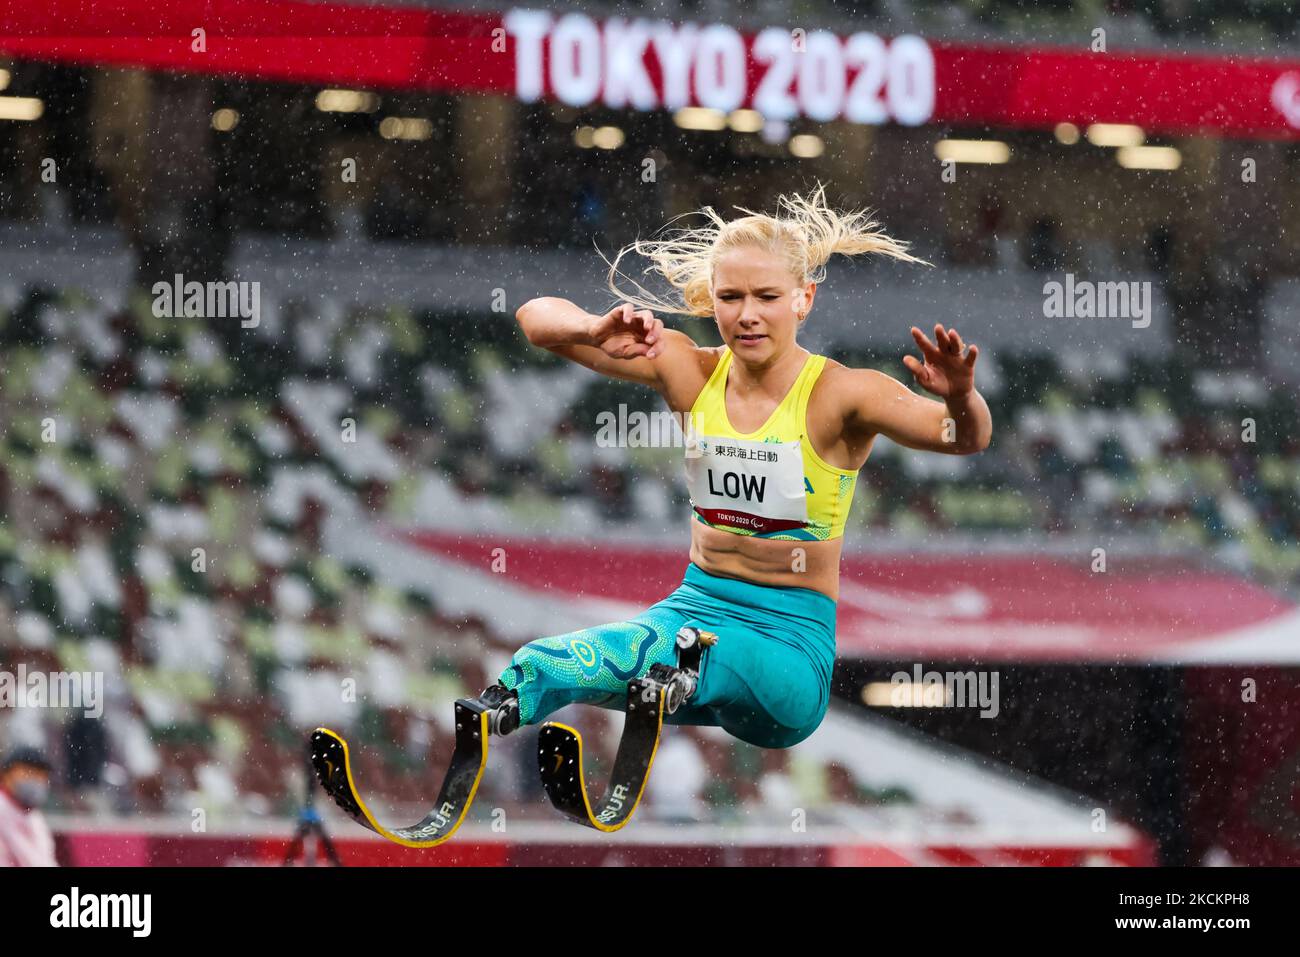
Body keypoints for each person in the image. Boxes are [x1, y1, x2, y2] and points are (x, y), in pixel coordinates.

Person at [470, 183, 992, 753]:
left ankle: (683, 674)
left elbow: (964, 438)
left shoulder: (842, 394)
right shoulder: (687, 369)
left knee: (701, 652)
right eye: (730, 297)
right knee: (568, 655)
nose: (746, 316)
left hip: (789, 655)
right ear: (710, 299)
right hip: (691, 611)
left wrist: (962, 395)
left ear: (803, 300)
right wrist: (591, 331)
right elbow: (534, 318)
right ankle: (499, 708)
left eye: (766, 297)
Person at [0, 747, 58, 867]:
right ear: (6, 774)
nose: (36, 779)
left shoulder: (35, 818)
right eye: (28, 772)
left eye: (41, 774)